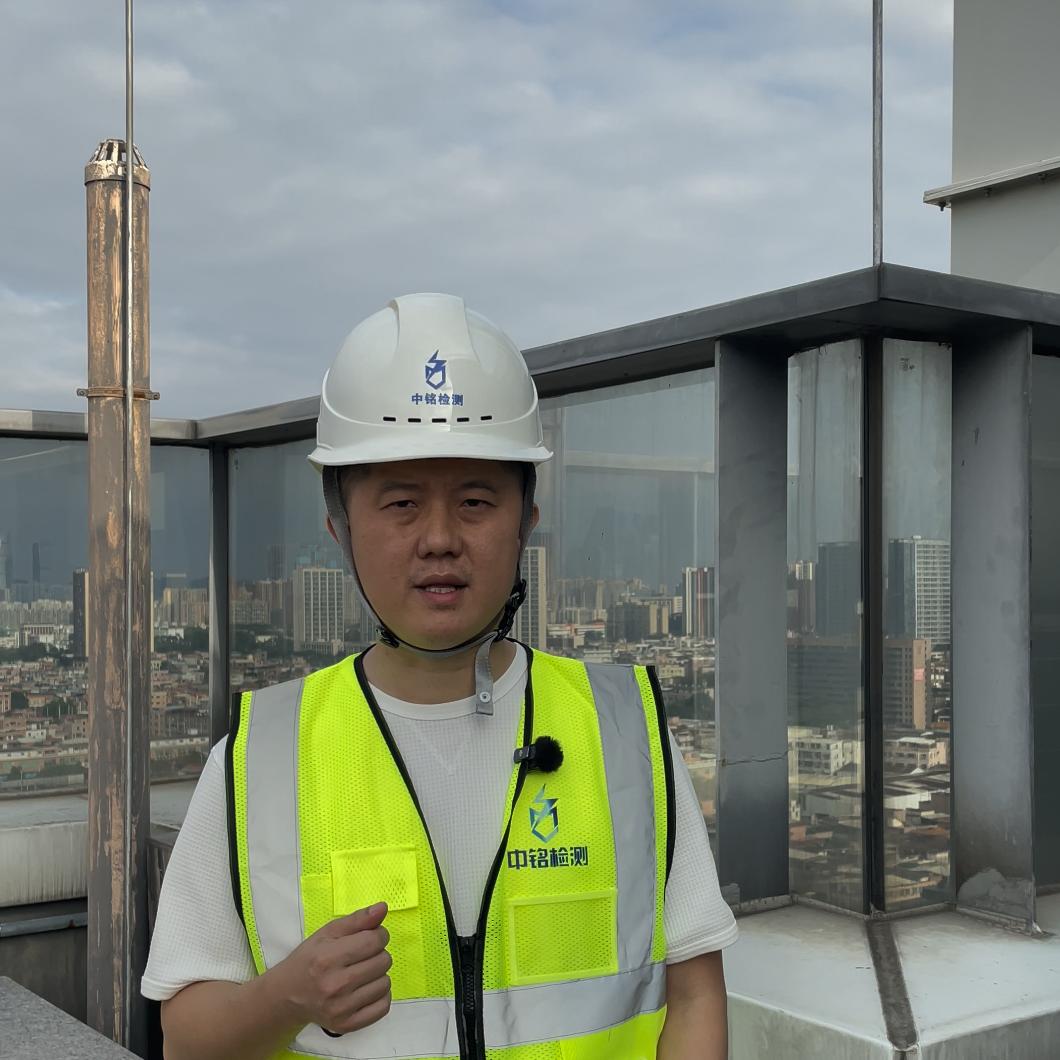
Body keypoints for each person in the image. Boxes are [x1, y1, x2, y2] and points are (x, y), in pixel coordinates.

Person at [142, 293, 738, 1059]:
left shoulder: (624, 733)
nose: (439, 539)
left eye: (476, 501)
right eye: (400, 503)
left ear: (525, 521)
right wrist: (287, 996)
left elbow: (694, 997)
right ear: (339, 528)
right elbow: (185, 1039)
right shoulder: (261, 757)